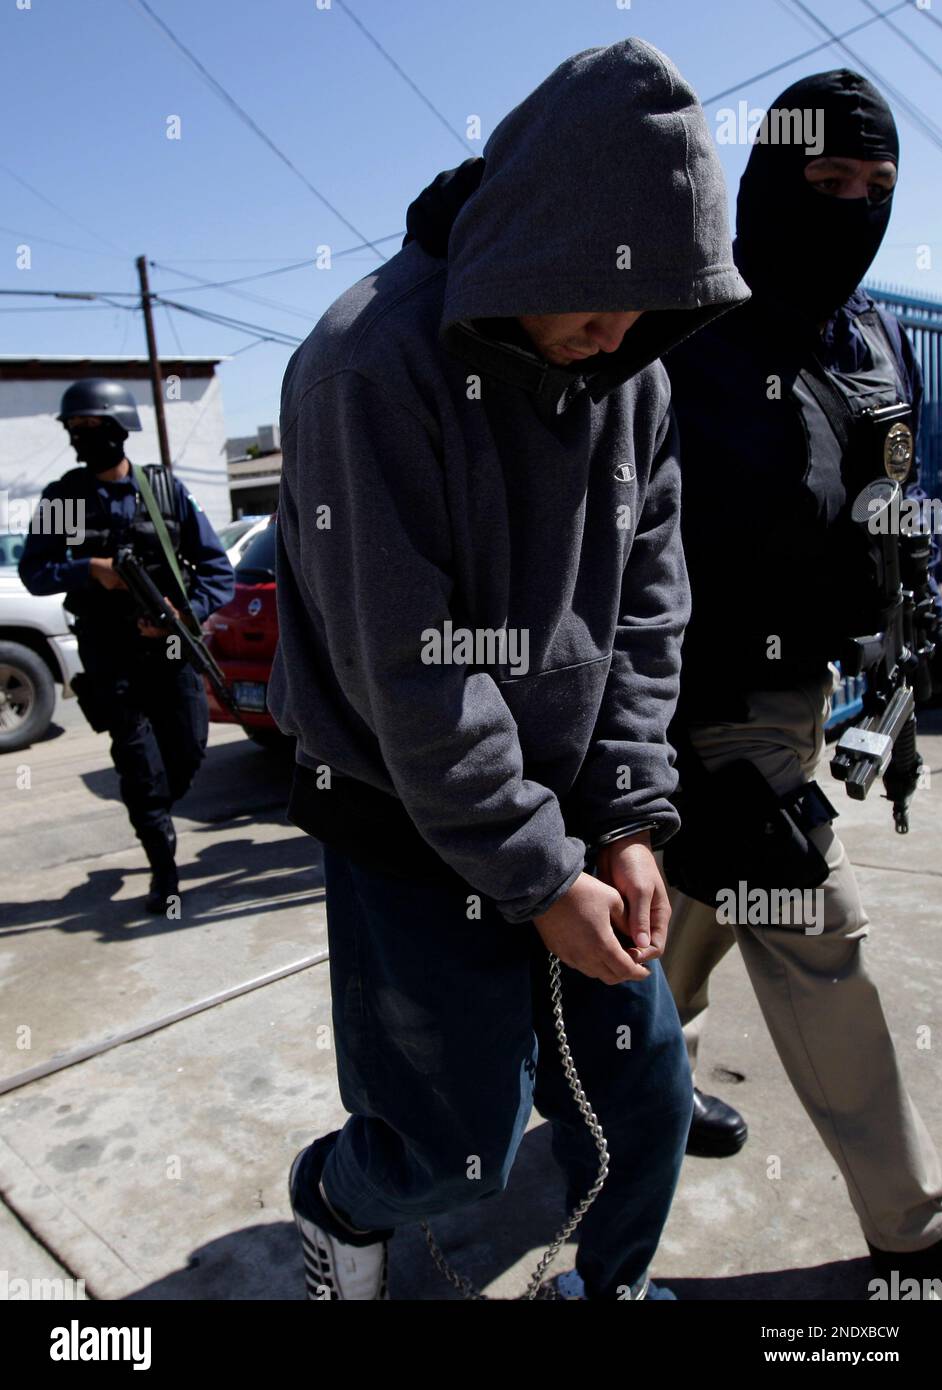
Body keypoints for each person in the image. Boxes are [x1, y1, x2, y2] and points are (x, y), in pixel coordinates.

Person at [268, 37, 749, 1301]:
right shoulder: (365, 363)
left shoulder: (626, 364)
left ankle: (610, 1288)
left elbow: (653, 602)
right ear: (530, 234)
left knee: (648, 1091)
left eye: (652, 304)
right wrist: (535, 875)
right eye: (594, 293)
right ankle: (335, 1194)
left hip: (584, 799)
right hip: (406, 817)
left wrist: (634, 820)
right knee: (458, 1151)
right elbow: (409, 669)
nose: (619, 332)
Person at [659, 70, 942, 1281]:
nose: (851, 206)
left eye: (876, 188)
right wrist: (666, 747)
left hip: (805, 701)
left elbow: (894, 506)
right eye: (826, 181)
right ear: (772, 176)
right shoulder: (681, 330)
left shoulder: (874, 338)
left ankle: (625, 1081)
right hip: (698, 719)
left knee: (667, 937)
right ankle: (915, 1229)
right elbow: (608, 561)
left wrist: (911, 639)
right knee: (814, 931)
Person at [19, 378, 234, 912]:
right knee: (141, 766)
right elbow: (36, 571)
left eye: (93, 427)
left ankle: (156, 808)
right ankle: (165, 870)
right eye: (75, 428)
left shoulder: (160, 492)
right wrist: (88, 568)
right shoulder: (66, 499)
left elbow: (215, 571)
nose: (82, 436)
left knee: (186, 753)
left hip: (169, 653)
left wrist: (184, 615)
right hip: (109, 656)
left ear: (119, 430)